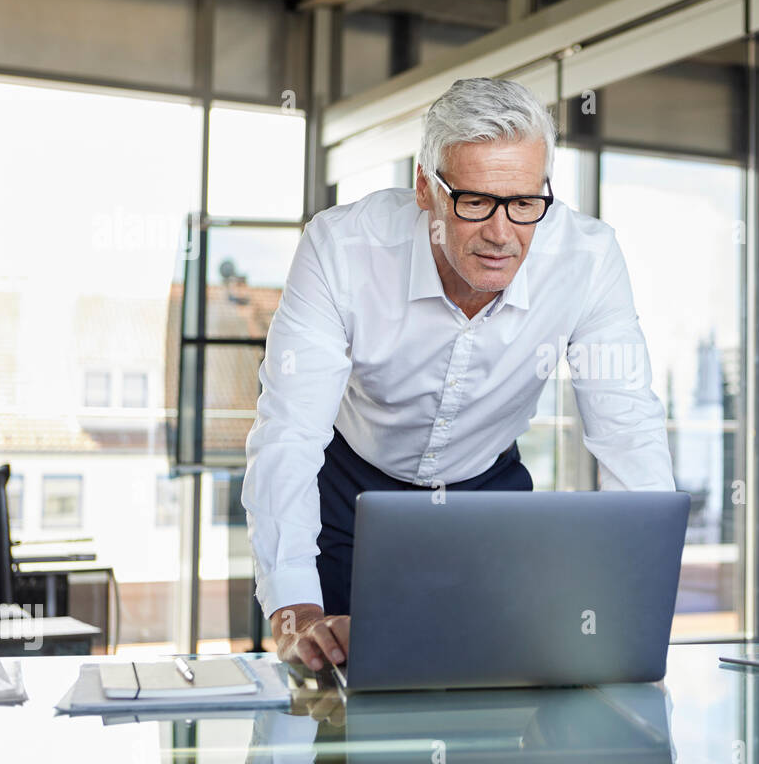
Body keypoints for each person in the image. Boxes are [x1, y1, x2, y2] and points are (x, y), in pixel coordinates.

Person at [241, 77, 675, 671]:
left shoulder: (588, 258)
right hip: (349, 492)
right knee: (335, 697)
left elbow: (629, 430)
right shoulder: (341, 248)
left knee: (496, 691)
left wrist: (640, 603)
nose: (502, 235)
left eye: (524, 204)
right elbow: (288, 434)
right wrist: (295, 613)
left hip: (485, 494)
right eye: (474, 202)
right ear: (425, 187)